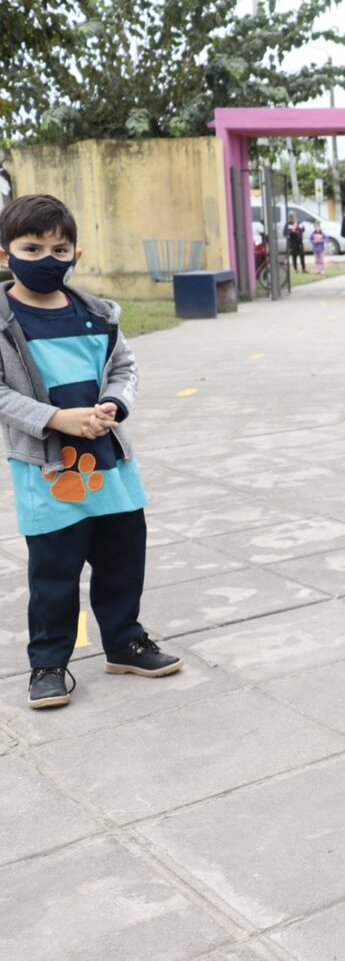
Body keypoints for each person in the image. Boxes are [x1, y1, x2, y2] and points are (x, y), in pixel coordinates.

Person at [0, 194, 181, 710]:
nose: (48, 258)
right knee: (55, 571)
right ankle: (49, 664)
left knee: (123, 557)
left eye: (60, 248)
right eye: (31, 247)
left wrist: (112, 406)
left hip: (111, 463)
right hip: (49, 470)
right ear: (4, 254)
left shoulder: (97, 312)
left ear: (76, 253)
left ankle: (124, 641)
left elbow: (124, 367)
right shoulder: (4, 320)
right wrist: (55, 418)